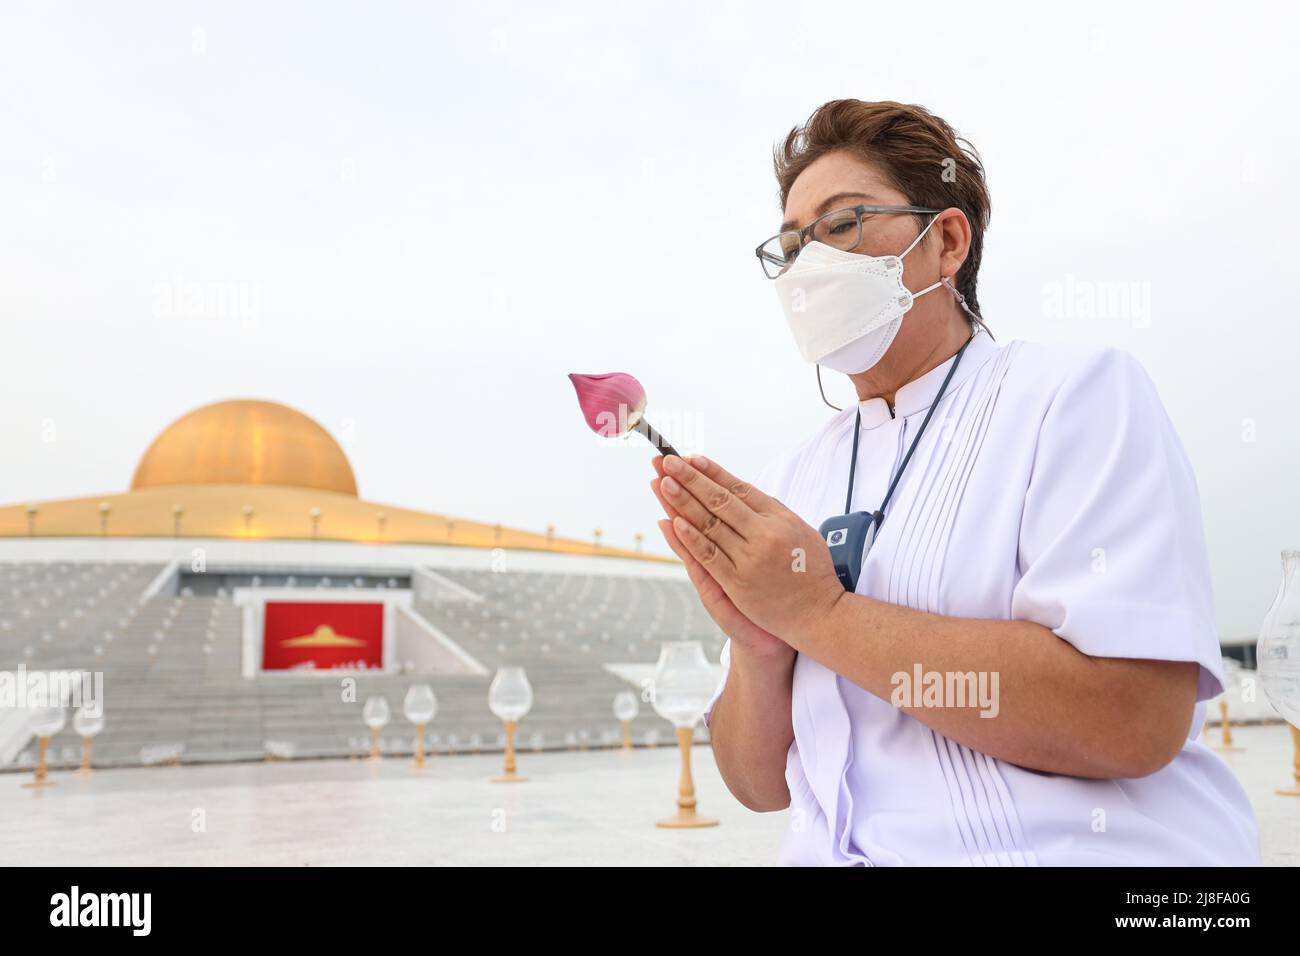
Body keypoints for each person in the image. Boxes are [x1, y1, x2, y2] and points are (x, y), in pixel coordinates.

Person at [649, 99, 1259, 866]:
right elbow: (758, 785)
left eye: (841, 225)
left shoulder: (1072, 398)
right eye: (790, 245)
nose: (809, 265)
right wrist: (762, 646)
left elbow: (1132, 718)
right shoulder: (792, 478)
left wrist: (820, 615)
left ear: (946, 241)